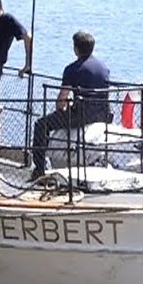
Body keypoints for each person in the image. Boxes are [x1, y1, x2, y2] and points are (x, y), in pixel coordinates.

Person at [30, 31, 112, 179]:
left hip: (81, 116)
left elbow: (62, 99)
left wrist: (62, 109)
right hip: (102, 113)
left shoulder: (72, 69)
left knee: (41, 125)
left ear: (75, 49)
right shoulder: (104, 68)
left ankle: (39, 168)